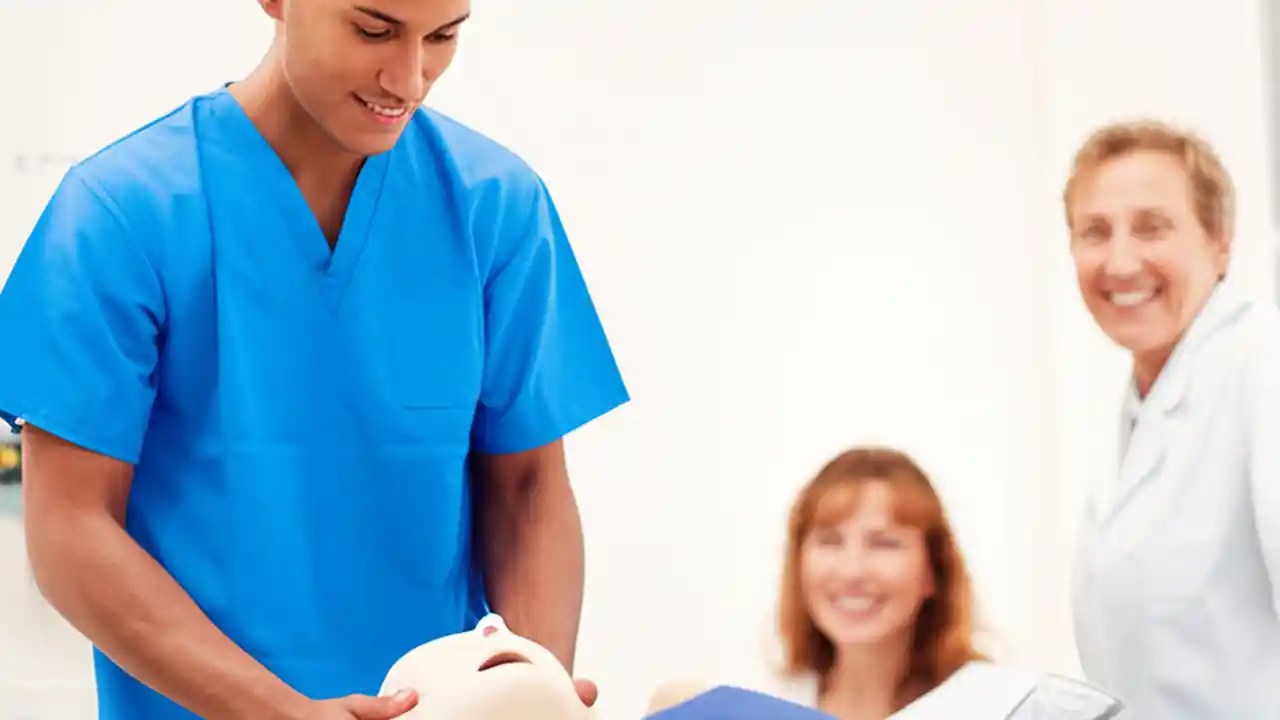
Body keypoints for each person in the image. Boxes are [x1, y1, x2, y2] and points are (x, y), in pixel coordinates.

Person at [0, 2, 628, 719]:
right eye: (374, 30)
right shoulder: (122, 212)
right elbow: (71, 528)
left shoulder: (493, 208)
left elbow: (526, 488)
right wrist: (284, 712)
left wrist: (531, 689)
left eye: (444, 36)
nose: (409, 78)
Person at [1063, 119, 1280, 718]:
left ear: (1220, 243)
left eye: (1152, 228)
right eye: (1095, 232)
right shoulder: (1142, 403)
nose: (1121, 260)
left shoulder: (1264, 371)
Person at [760, 447, 1121, 719]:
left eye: (884, 543)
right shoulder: (764, 708)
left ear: (933, 571)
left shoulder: (1004, 707)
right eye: (830, 542)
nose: (853, 570)